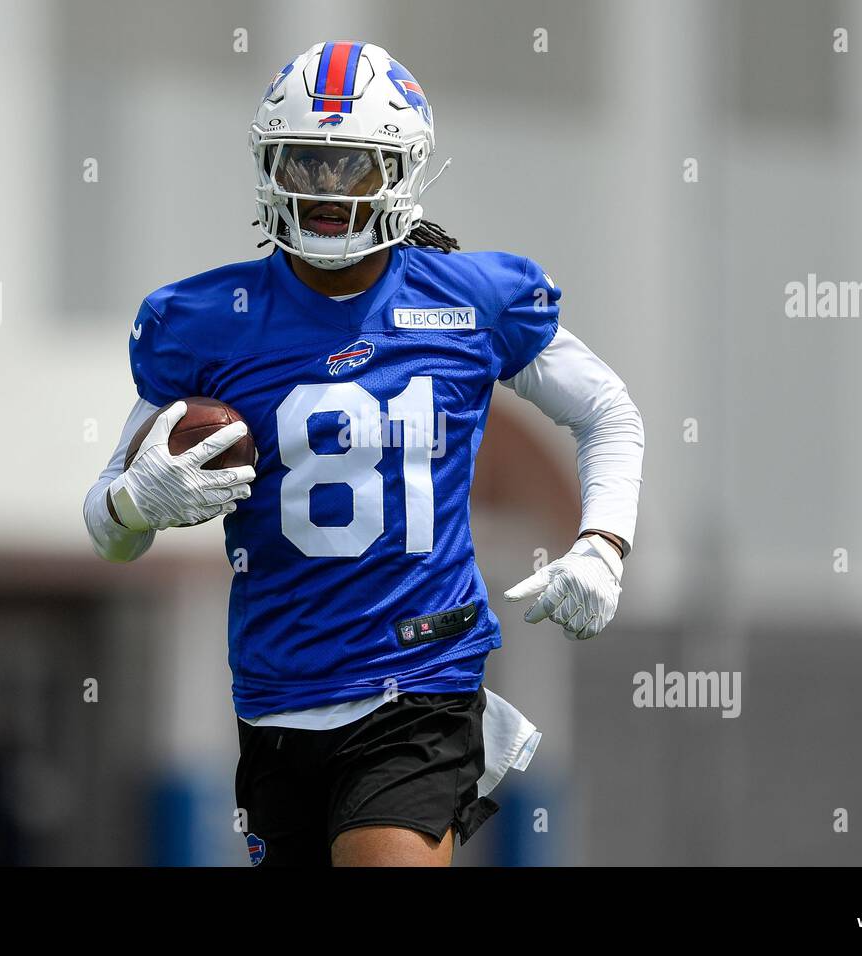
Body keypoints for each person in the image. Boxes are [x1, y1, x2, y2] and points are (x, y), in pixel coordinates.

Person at [83, 40, 644, 867]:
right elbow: (105, 530)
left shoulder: (471, 299)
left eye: (352, 167)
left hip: (420, 680)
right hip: (277, 699)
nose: (325, 191)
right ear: (270, 166)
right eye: (306, 164)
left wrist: (604, 544)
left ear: (403, 172)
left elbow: (607, 409)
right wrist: (139, 501)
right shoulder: (207, 320)